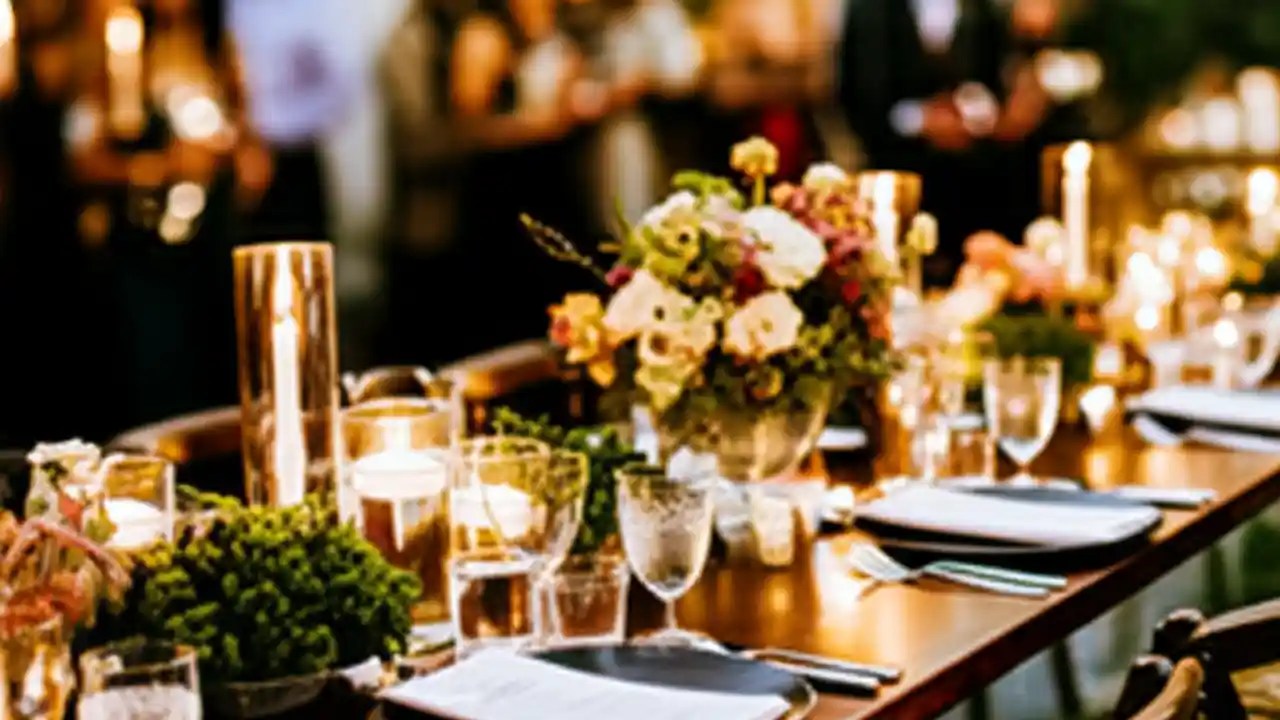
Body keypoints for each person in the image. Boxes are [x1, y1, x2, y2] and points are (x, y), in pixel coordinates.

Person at [68, 0, 270, 431]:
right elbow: (84, 157)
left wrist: (239, 156)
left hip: (211, 244)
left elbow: (250, 138)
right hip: (146, 250)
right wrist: (160, 167)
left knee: (216, 379)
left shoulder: (218, 48)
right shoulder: (121, 47)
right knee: (157, 377)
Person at [838, 0, 1051, 283]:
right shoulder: (870, 11)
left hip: (976, 180)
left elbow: (996, 84)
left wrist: (975, 115)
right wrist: (920, 120)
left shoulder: (984, 11)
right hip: (900, 170)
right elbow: (856, 96)